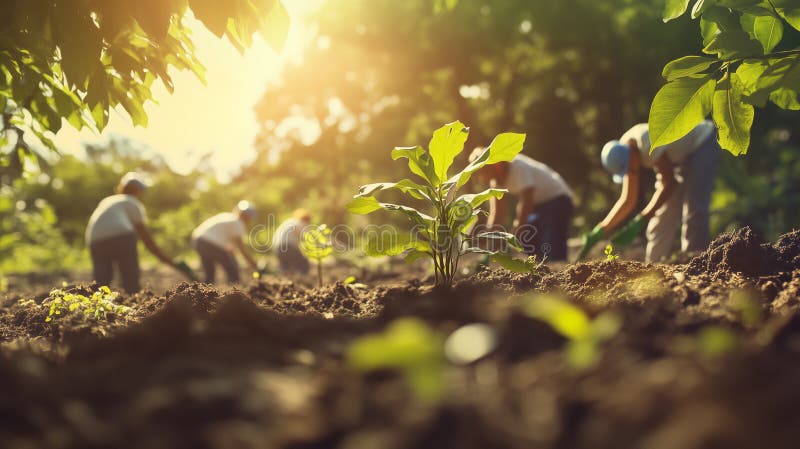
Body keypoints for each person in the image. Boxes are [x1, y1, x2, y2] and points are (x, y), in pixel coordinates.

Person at [581, 119, 720, 262]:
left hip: (702, 142)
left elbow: (669, 183)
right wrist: (601, 229)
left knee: (694, 208)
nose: (631, 172)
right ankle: (654, 265)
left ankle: (696, 259)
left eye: (629, 168)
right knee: (662, 215)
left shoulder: (646, 143)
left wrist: (643, 217)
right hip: (677, 157)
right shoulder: (626, 149)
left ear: (631, 155)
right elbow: (628, 200)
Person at [470, 149, 575, 261]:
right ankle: (543, 267)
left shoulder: (517, 166)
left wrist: (518, 226)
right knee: (528, 239)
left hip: (558, 199)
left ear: (496, 164)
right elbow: (497, 215)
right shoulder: (496, 181)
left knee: (551, 242)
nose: (481, 179)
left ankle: (557, 265)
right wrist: (489, 242)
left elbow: (527, 200)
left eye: (482, 172)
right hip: (538, 206)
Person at [86, 172, 179, 293]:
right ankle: (133, 297)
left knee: (101, 281)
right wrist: (166, 259)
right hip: (121, 236)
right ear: (138, 191)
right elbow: (146, 238)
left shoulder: (108, 200)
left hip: (94, 239)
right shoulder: (132, 202)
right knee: (130, 276)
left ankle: (94, 304)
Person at [192, 201, 259, 284]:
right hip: (210, 242)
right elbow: (241, 248)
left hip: (199, 240)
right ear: (247, 217)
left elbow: (230, 246)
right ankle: (234, 291)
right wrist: (253, 263)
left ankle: (204, 293)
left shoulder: (227, 216)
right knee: (232, 269)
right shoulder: (238, 222)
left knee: (210, 271)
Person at [273, 209, 312, 274]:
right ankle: (304, 280)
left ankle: (284, 282)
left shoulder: (289, 221)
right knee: (304, 264)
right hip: (288, 246)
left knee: (285, 268)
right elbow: (307, 237)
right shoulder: (301, 223)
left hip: (277, 248)